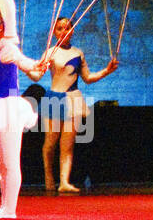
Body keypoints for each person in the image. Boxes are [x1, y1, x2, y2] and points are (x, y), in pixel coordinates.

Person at [0, 6, 47, 219]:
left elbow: (24, 62)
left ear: (0, 27)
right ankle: (4, 205)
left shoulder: (8, 48)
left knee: (10, 160)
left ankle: (10, 209)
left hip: (9, 106)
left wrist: (37, 64)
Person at [39, 17, 119, 192]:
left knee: (67, 144)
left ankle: (64, 182)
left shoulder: (78, 53)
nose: (63, 31)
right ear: (54, 32)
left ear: (72, 30)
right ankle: (48, 175)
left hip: (73, 99)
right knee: (51, 143)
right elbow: (36, 74)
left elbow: (88, 78)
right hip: (54, 99)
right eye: (59, 28)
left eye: (67, 28)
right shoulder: (50, 52)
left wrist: (107, 70)